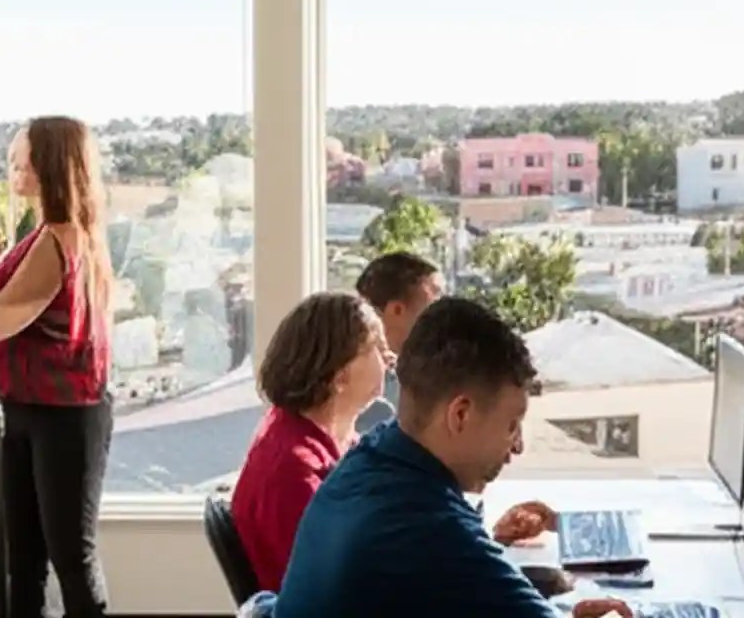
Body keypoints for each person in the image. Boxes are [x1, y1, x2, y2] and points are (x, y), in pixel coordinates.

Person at [272, 297, 631, 618]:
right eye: (511, 425)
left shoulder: (369, 460)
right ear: (460, 414)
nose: (517, 446)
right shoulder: (432, 529)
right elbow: (446, 553)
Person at [0, 117, 114, 617]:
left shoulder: (59, 240)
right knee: (26, 559)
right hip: (29, 410)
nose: (12, 171)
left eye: (21, 161)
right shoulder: (41, 236)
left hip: (65, 416)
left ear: (51, 165)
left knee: (68, 558)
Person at [231, 291, 389, 592]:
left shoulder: (314, 436)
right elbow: (335, 585)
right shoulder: (293, 469)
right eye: (377, 349)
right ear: (339, 376)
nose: (390, 360)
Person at [353, 251, 442, 433]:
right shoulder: (351, 384)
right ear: (397, 310)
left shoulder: (416, 376)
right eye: (434, 305)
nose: (442, 319)